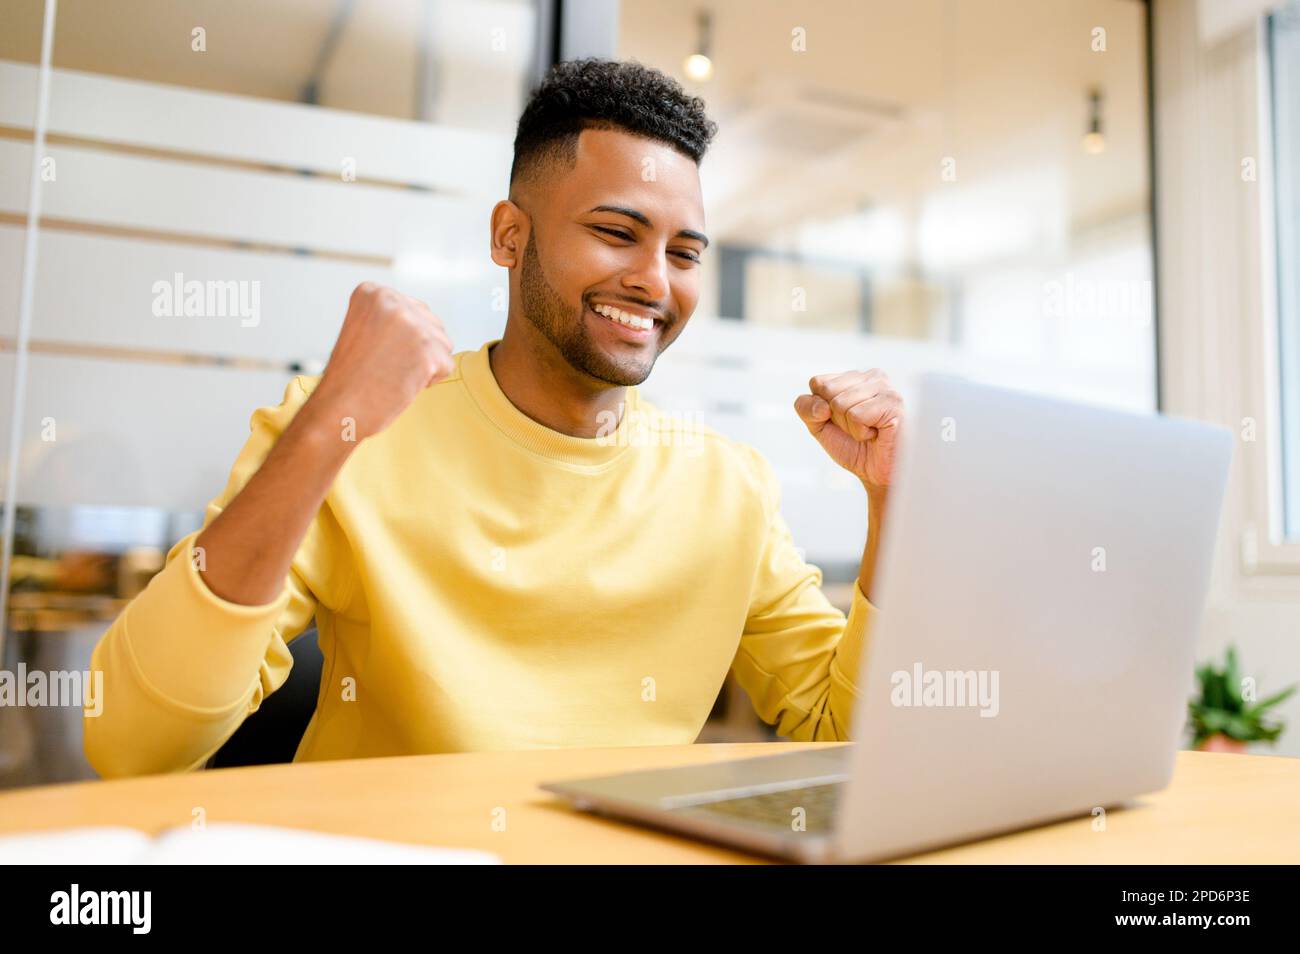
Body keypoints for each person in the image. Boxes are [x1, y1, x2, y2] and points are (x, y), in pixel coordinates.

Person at [84, 58, 904, 778]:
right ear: (510, 237)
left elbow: (843, 737)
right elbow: (130, 742)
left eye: (684, 254)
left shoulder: (729, 485)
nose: (656, 282)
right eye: (618, 232)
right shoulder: (353, 433)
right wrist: (330, 415)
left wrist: (892, 507)